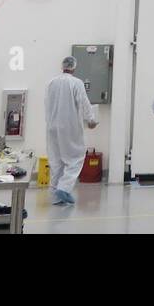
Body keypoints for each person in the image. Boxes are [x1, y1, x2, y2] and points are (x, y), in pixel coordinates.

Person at [46, 56, 99, 205]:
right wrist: (92, 120)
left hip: (52, 126)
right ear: (74, 67)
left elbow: (47, 104)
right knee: (75, 158)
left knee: (56, 160)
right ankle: (64, 188)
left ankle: (55, 196)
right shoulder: (76, 83)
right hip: (70, 126)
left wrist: (50, 123)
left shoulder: (51, 83)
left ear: (62, 66)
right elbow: (84, 102)